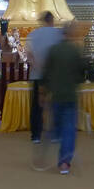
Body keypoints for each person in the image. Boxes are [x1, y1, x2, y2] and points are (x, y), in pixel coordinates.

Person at [43, 22, 85, 175]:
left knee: (59, 125)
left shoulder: (53, 50)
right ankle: (64, 162)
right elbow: (81, 74)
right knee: (69, 129)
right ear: (71, 34)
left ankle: (54, 136)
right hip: (70, 95)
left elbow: (46, 74)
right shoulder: (75, 51)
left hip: (56, 95)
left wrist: (44, 92)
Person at [25, 12, 63, 145]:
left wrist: (38, 68)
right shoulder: (58, 34)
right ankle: (55, 134)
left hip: (37, 75)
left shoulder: (33, 35)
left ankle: (36, 135)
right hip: (54, 76)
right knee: (55, 104)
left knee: (37, 106)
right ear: (51, 20)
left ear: (42, 21)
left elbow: (29, 56)